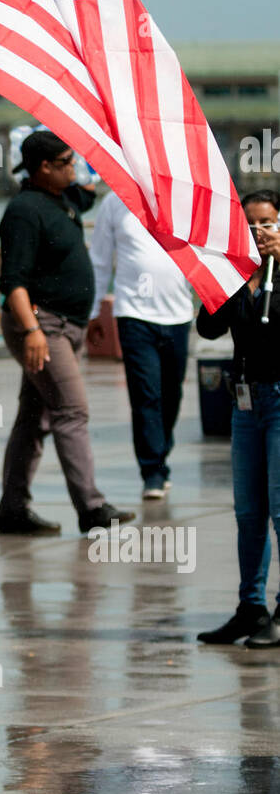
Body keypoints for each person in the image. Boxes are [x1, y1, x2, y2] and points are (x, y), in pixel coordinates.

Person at [0, 130, 135, 535]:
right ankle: (91, 507)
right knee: (72, 410)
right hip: (41, 326)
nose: (76, 168)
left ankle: (12, 509)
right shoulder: (24, 211)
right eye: (67, 161)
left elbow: (91, 187)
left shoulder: (66, 199)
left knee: (33, 418)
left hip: (65, 325)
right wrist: (33, 331)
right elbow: (13, 282)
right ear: (44, 167)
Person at [196, 190, 280, 647]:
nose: (259, 234)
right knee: (249, 513)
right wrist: (220, 279)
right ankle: (250, 607)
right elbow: (207, 329)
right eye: (248, 226)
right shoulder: (235, 275)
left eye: (267, 223)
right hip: (246, 402)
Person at [87, 191, 194, 500]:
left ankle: (161, 450)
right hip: (133, 315)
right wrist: (94, 312)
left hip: (178, 314)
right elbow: (100, 261)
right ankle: (153, 470)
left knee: (172, 392)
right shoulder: (114, 202)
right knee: (146, 394)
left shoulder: (183, 197)